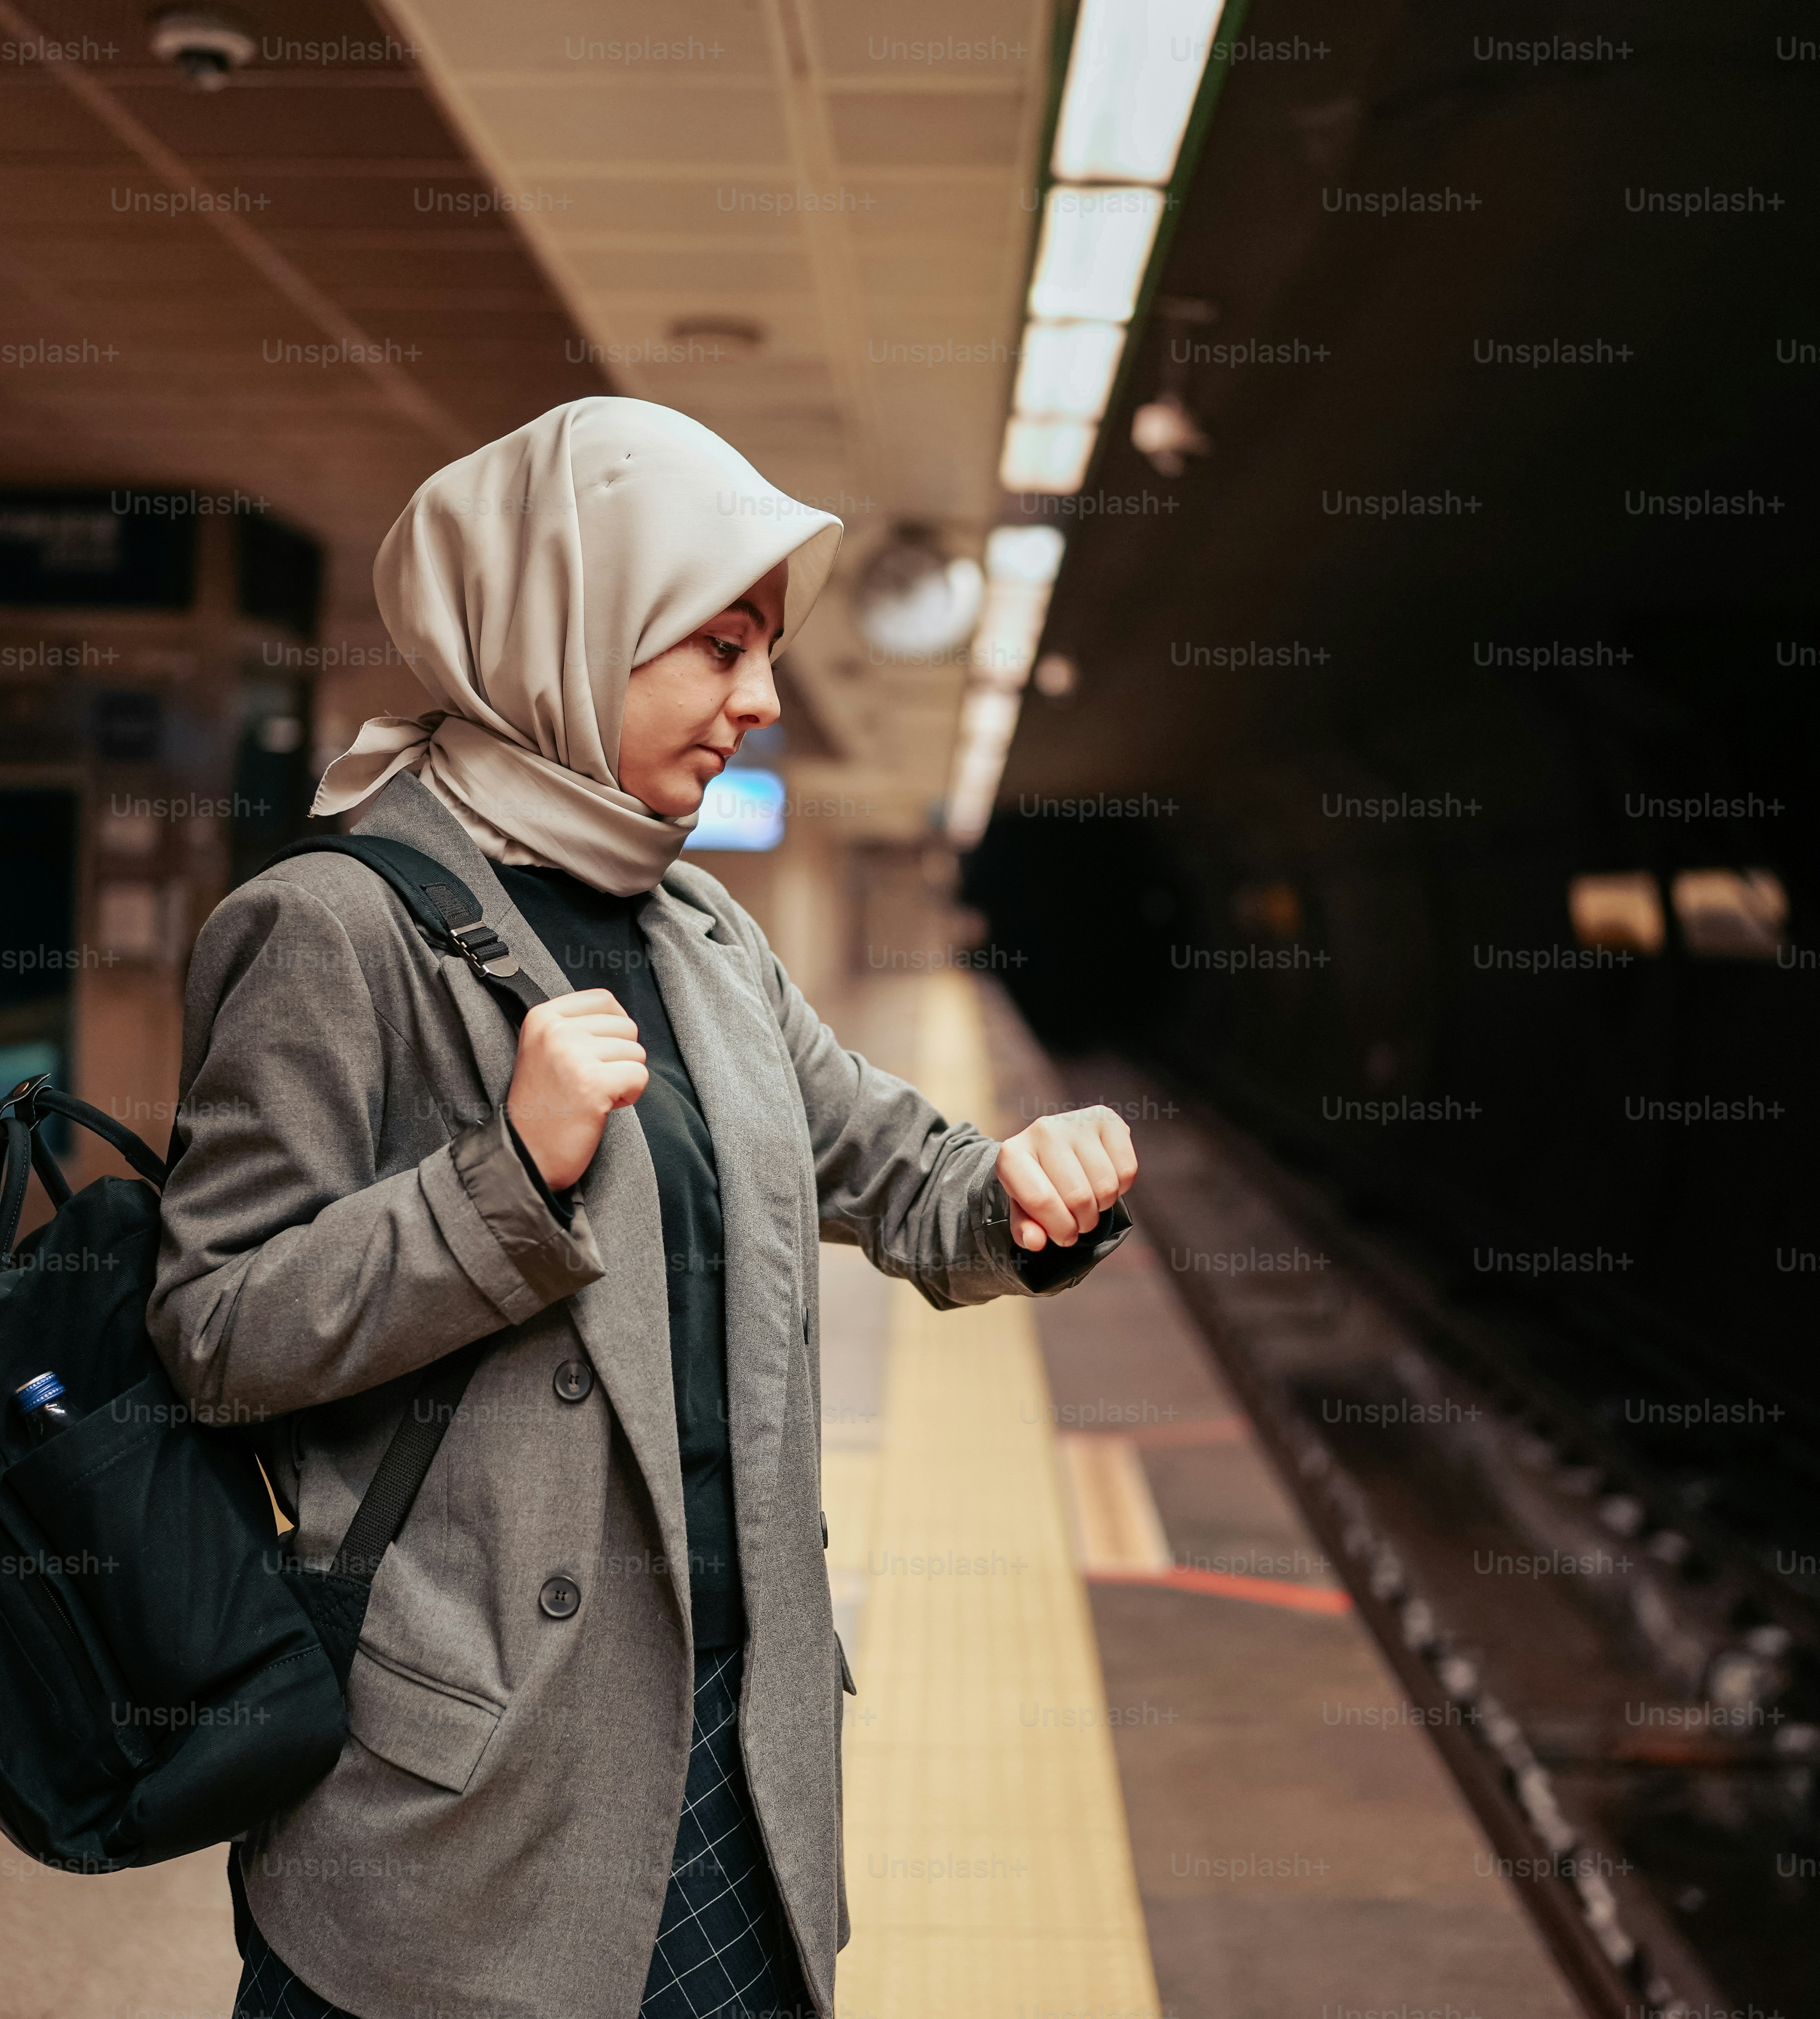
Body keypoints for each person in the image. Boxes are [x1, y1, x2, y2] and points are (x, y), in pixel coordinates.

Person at [149, 396, 1139, 2019]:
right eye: (718, 646)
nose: (759, 699)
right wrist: (497, 1182)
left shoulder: (703, 934)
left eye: (765, 652)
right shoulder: (334, 927)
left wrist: (1025, 1190)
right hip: (474, 1792)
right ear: (567, 628)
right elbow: (216, 1328)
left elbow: (895, 1167)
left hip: (737, 1759)